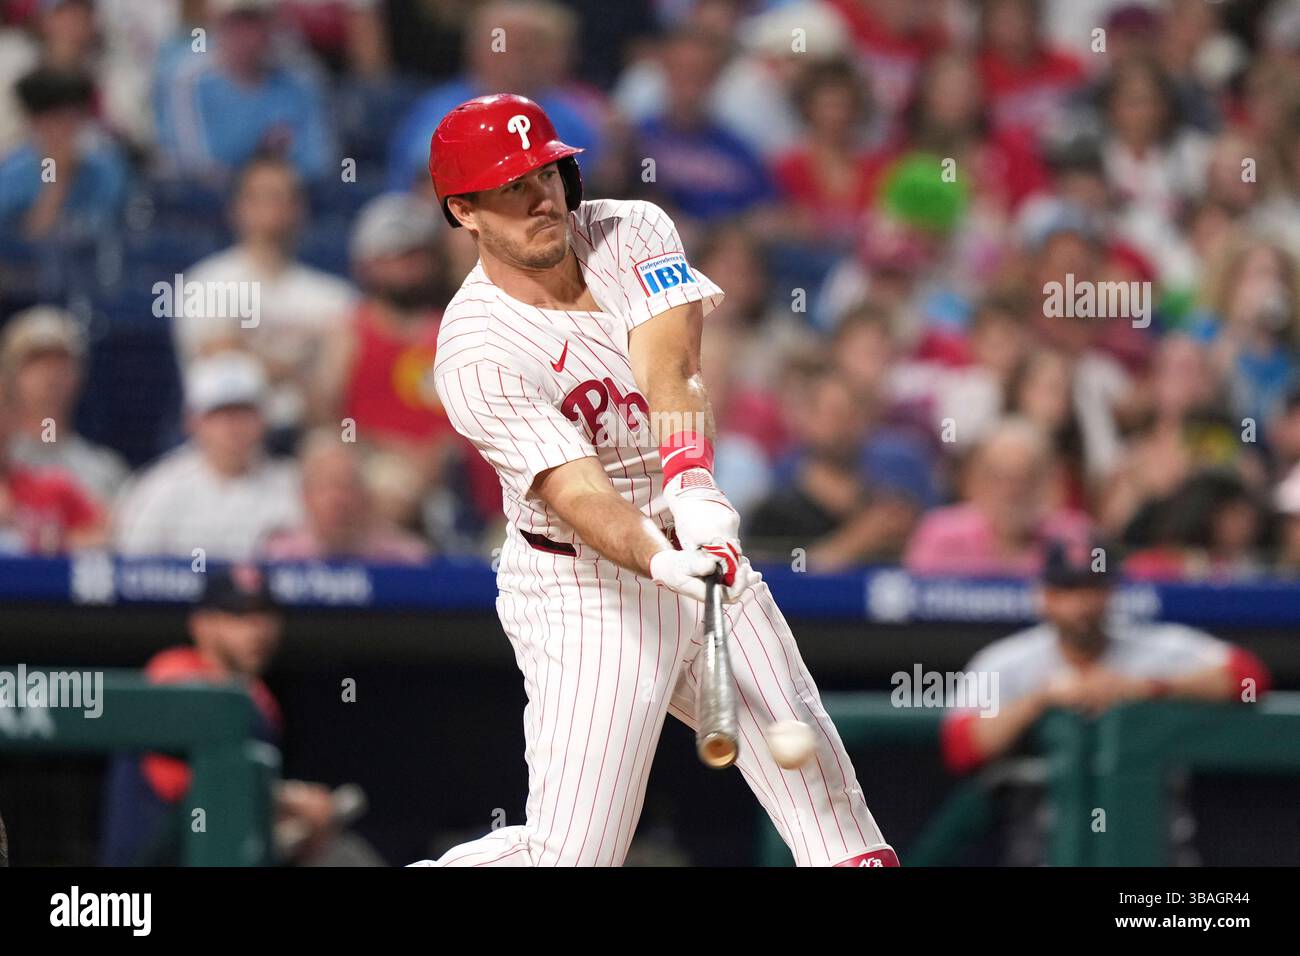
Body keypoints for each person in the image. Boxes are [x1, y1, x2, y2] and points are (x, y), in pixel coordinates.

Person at [415, 93, 897, 867]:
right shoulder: (476, 351)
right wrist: (662, 554)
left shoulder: (627, 227)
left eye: (549, 171)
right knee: (571, 860)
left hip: (705, 560)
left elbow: (670, 366)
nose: (543, 198)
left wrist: (693, 484)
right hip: (586, 593)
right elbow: (576, 494)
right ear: (464, 211)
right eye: (513, 187)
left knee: (838, 825)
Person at [940, 540, 1272, 865]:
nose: (1083, 604)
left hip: (1153, 843)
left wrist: (1146, 688)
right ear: (1043, 596)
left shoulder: (1151, 648)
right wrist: (1040, 700)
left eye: (1093, 589)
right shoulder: (1008, 661)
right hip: (1042, 844)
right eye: (1069, 590)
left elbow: (1249, 680)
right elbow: (961, 748)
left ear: (1112, 592)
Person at [100, 564, 384, 866]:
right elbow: (190, 788)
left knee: (343, 854)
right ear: (202, 624)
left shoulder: (260, 700)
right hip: (144, 889)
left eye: (265, 614)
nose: (257, 630)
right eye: (239, 615)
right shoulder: (175, 674)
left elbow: (241, 823)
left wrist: (299, 827)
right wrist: (294, 801)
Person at [175, 155, 358, 439]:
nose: (273, 208)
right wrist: (296, 372)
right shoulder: (205, 283)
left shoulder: (335, 297)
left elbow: (338, 389)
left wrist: (249, 352)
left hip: (311, 435)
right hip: (230, 436)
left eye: (285, 197)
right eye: (260, 197)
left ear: (301, 210)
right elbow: (217, 357)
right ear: (237, 209)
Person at [113, 352, 302, 559]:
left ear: (264, 419)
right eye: (220, 415)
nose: (233, 427)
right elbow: (133, 570)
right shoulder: (159, 488)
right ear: (192, 421)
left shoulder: (294, 485)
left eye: (244, 413)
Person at [1, 305, 129, 503]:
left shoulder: (103, 471)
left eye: (60, 362)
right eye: (35, 362)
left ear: (79, 374)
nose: (50, 375)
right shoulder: (5, 464)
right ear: (12, 374)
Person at [262, 429, 430, 563]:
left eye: (347, 486)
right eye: (327, 486)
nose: (338, 500)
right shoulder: (279, 557)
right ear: (305, 495)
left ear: (365, 495)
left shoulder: (402, 559)